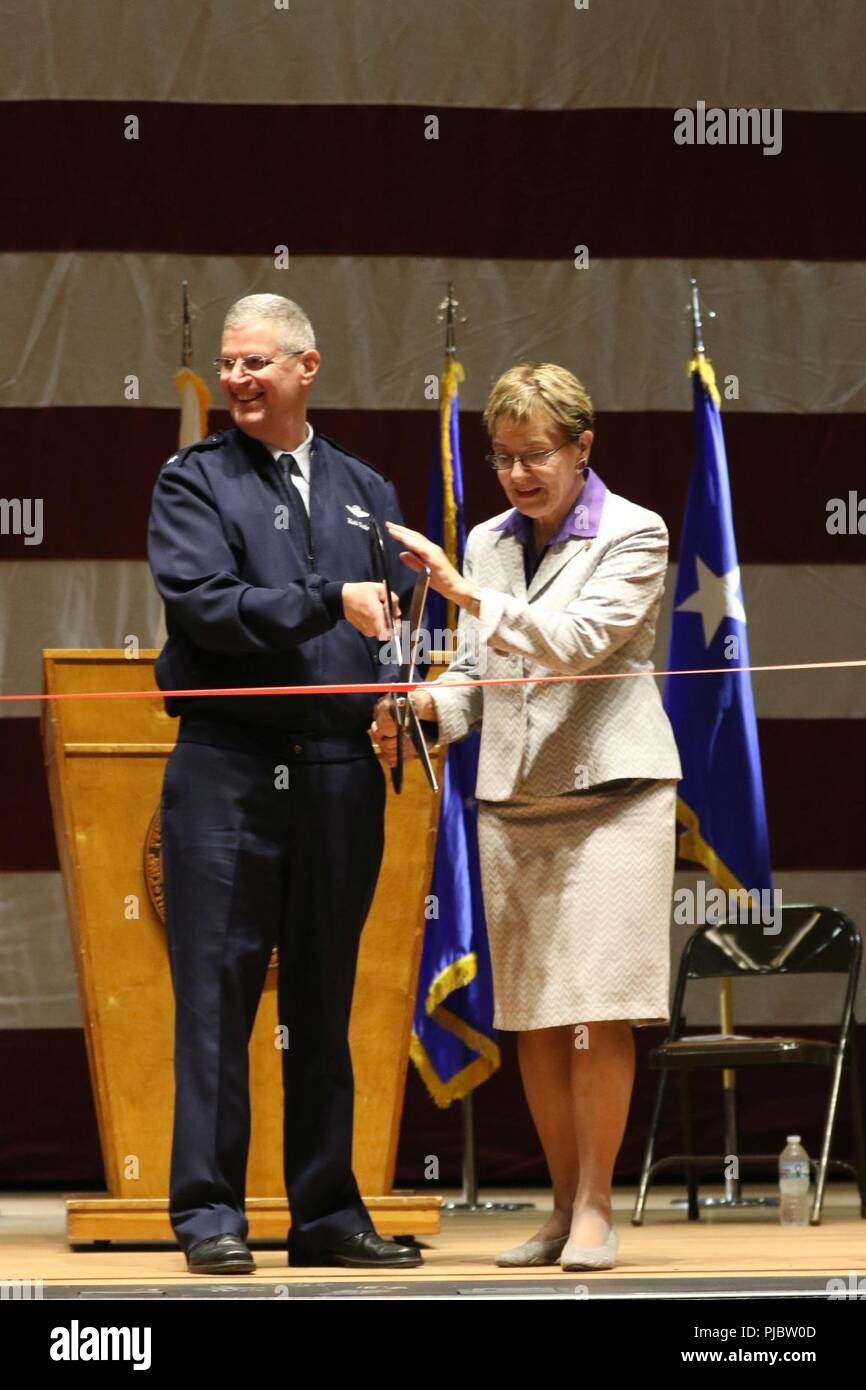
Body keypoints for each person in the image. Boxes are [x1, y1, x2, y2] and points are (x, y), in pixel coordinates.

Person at [374, 362, 682, 1271]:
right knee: (540, 1018)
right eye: (503, 457)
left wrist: (470, 599)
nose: (517, 474)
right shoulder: (488, 542)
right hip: (514, 802)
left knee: (600, 1009)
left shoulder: (637, 532)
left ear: (584, 449)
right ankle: (556, 1210)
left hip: (612, 799)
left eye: (535, 454)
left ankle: (596, 1208)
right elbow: (480, 674)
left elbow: (582, 643)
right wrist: (424, 708)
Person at [148, 293, 421, 1272]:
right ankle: (210, 1212)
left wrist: (402, 690)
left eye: (256, 362)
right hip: (226, 771)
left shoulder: (366, 489)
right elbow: (204, 606)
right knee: (216, 1002)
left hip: (342, 775)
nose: (236, 380)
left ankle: (325, 1213)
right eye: (228, 364)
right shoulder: (193, 481)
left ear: (308, 367)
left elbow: (397, 616)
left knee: (323, 999)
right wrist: (323, 599)